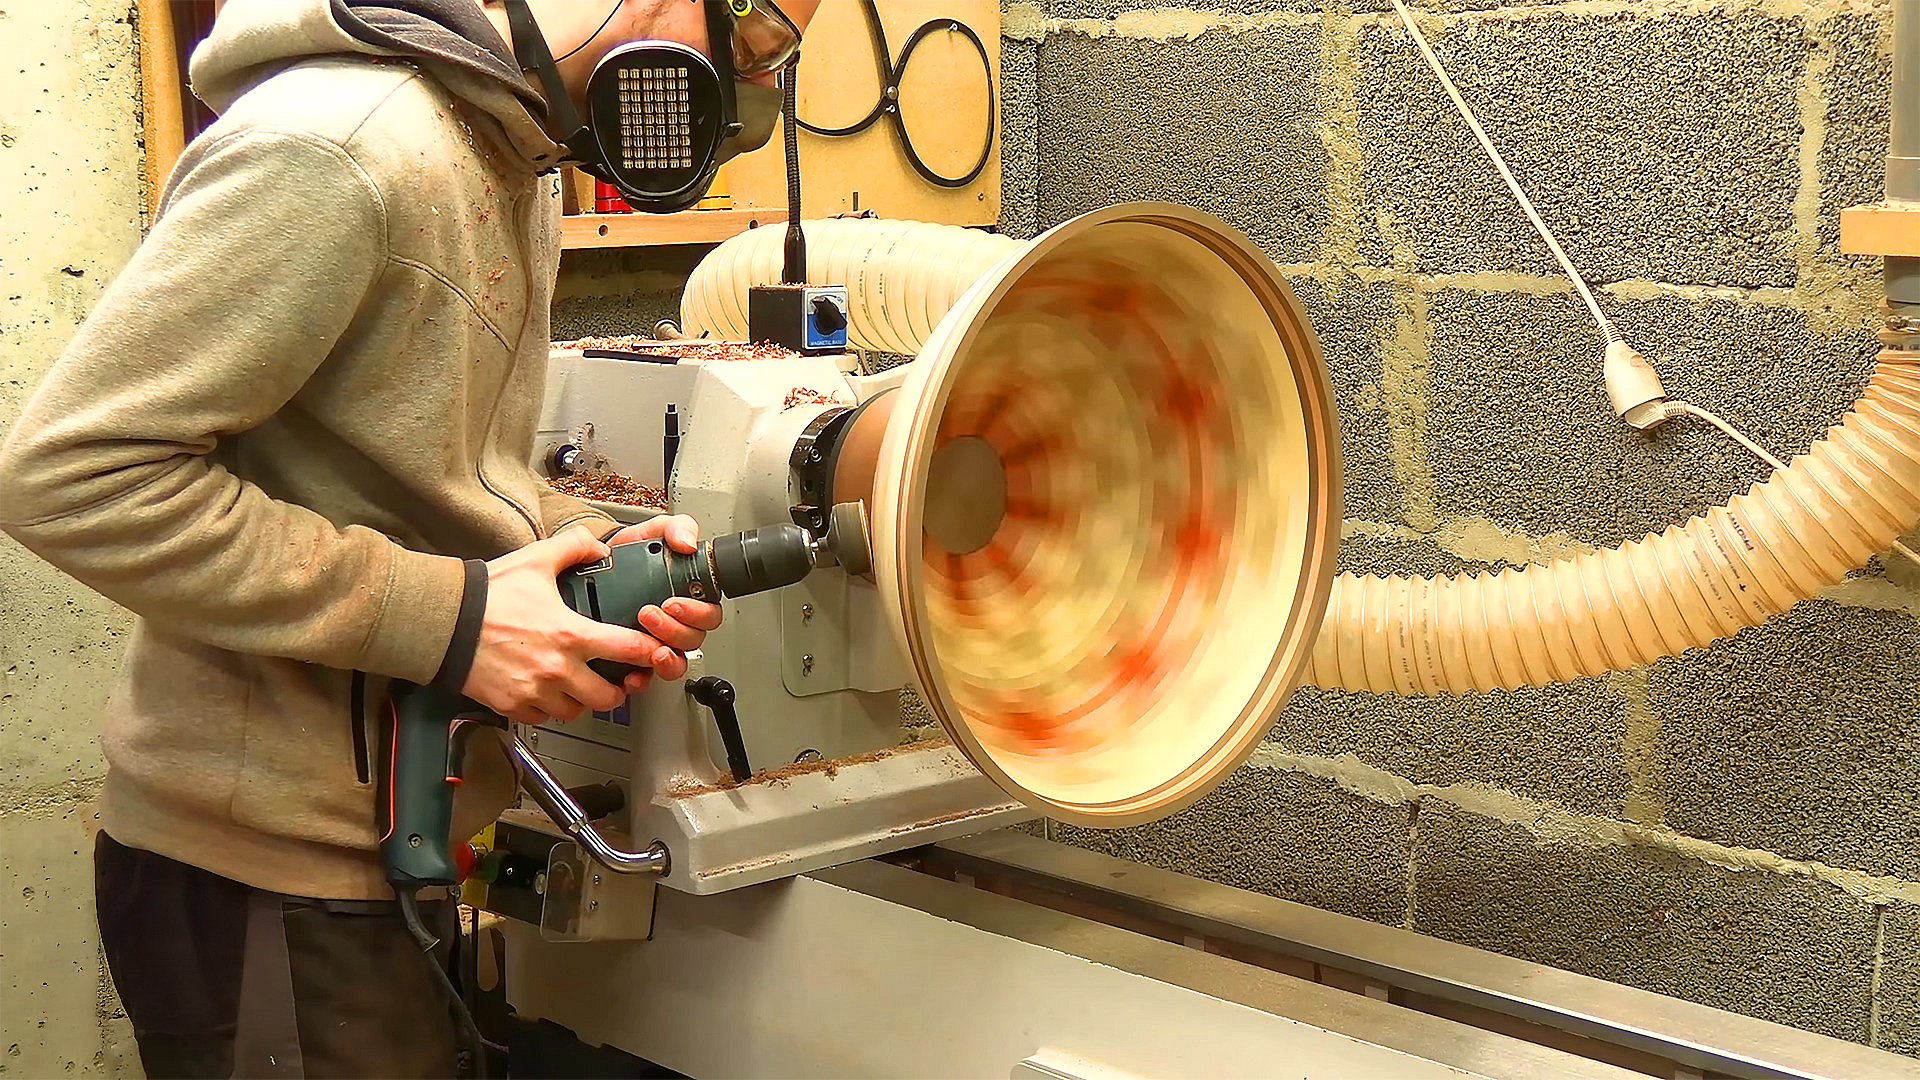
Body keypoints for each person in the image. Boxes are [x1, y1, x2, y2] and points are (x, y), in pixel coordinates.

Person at [0, 0, 815, 1075]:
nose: (750, 95)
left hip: (386, 839)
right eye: (752, 46)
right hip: (268, 873)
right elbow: (71, 474)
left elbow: (423, 467)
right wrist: (457, 619)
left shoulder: (506, 148)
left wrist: (582, 550)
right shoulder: (339, 147)